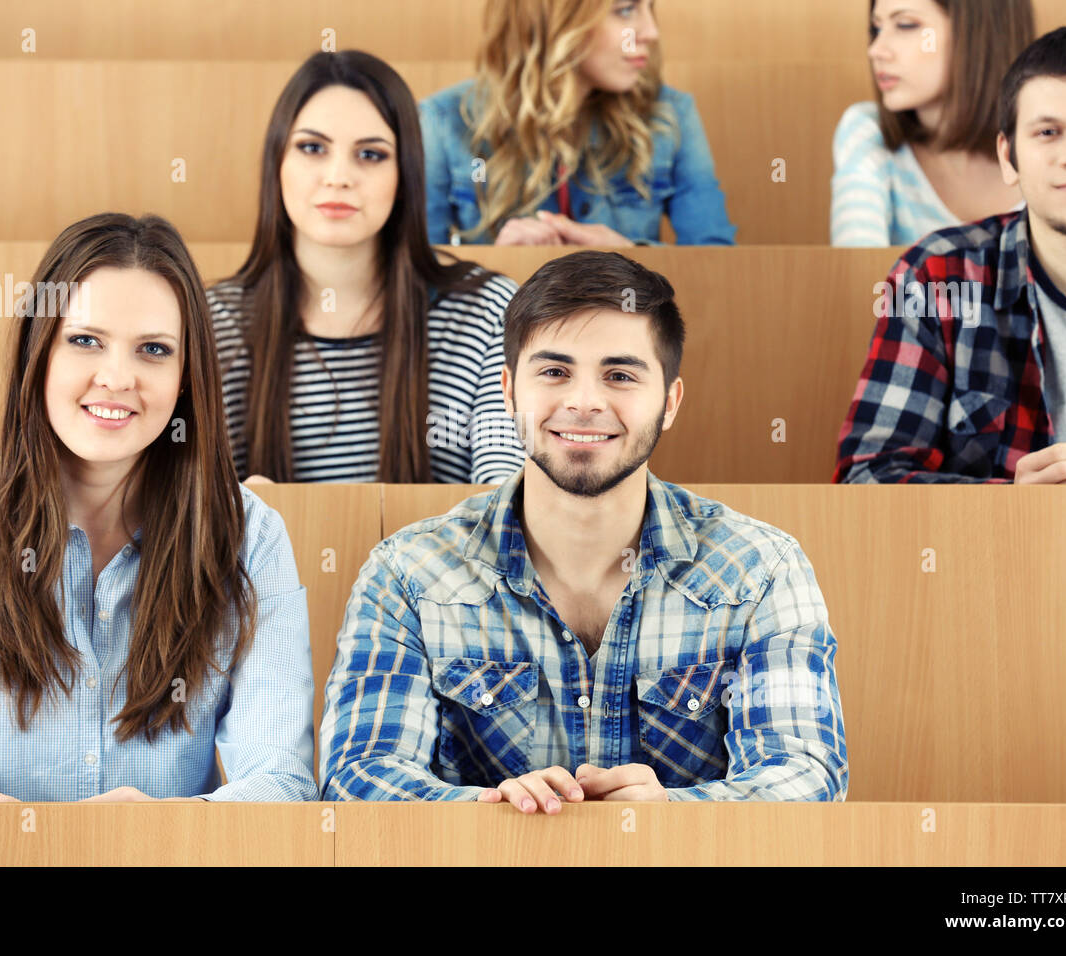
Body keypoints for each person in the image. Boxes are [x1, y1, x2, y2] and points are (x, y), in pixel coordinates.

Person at [320, 251, 848, 808]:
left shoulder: (760, 568)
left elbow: (807, 777)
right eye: (554, 372)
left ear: (669, 402)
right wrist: (485, 812)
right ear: (508, 391)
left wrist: (674, 814)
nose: (584, 402)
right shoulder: (408, 572)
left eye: (619, 375)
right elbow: (360, 774)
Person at [0, 213, 317, 802]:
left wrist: (170, 831)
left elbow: (281, 783)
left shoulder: (250, 536)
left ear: (186, 376)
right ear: (40, 350)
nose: (116, 377)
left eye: (154, 350)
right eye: (85, 340)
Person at [209, 50, 525, 484]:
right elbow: (194, 512)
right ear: (277, 165)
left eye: (371, 155)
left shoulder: (487, 311)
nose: (338, 176)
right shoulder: (215, 322)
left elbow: (503, 498)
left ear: (404, 177)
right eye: (312, 148)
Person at [836, 24, 1066, 484]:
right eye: (1048, 131)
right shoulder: (933, 275)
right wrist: (1007, 503)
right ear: (1008, 157)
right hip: (985, 557)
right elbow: (867, 479)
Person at [420, 0, 735, 247]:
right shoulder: (443, 120)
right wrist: (498, 269)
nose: (651, 32)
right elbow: (415, 281)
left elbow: (715, 259)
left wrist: (630, 258)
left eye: (649, 8)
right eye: (625, 10)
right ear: (555, 18)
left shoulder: (672, 114)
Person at [831, 0, 1033, 246]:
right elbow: (857, 271)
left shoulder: (1050, 145)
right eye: (876, 29)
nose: (876, 50)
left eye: (906, 25)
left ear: (980, 34)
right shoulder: (868, 132)